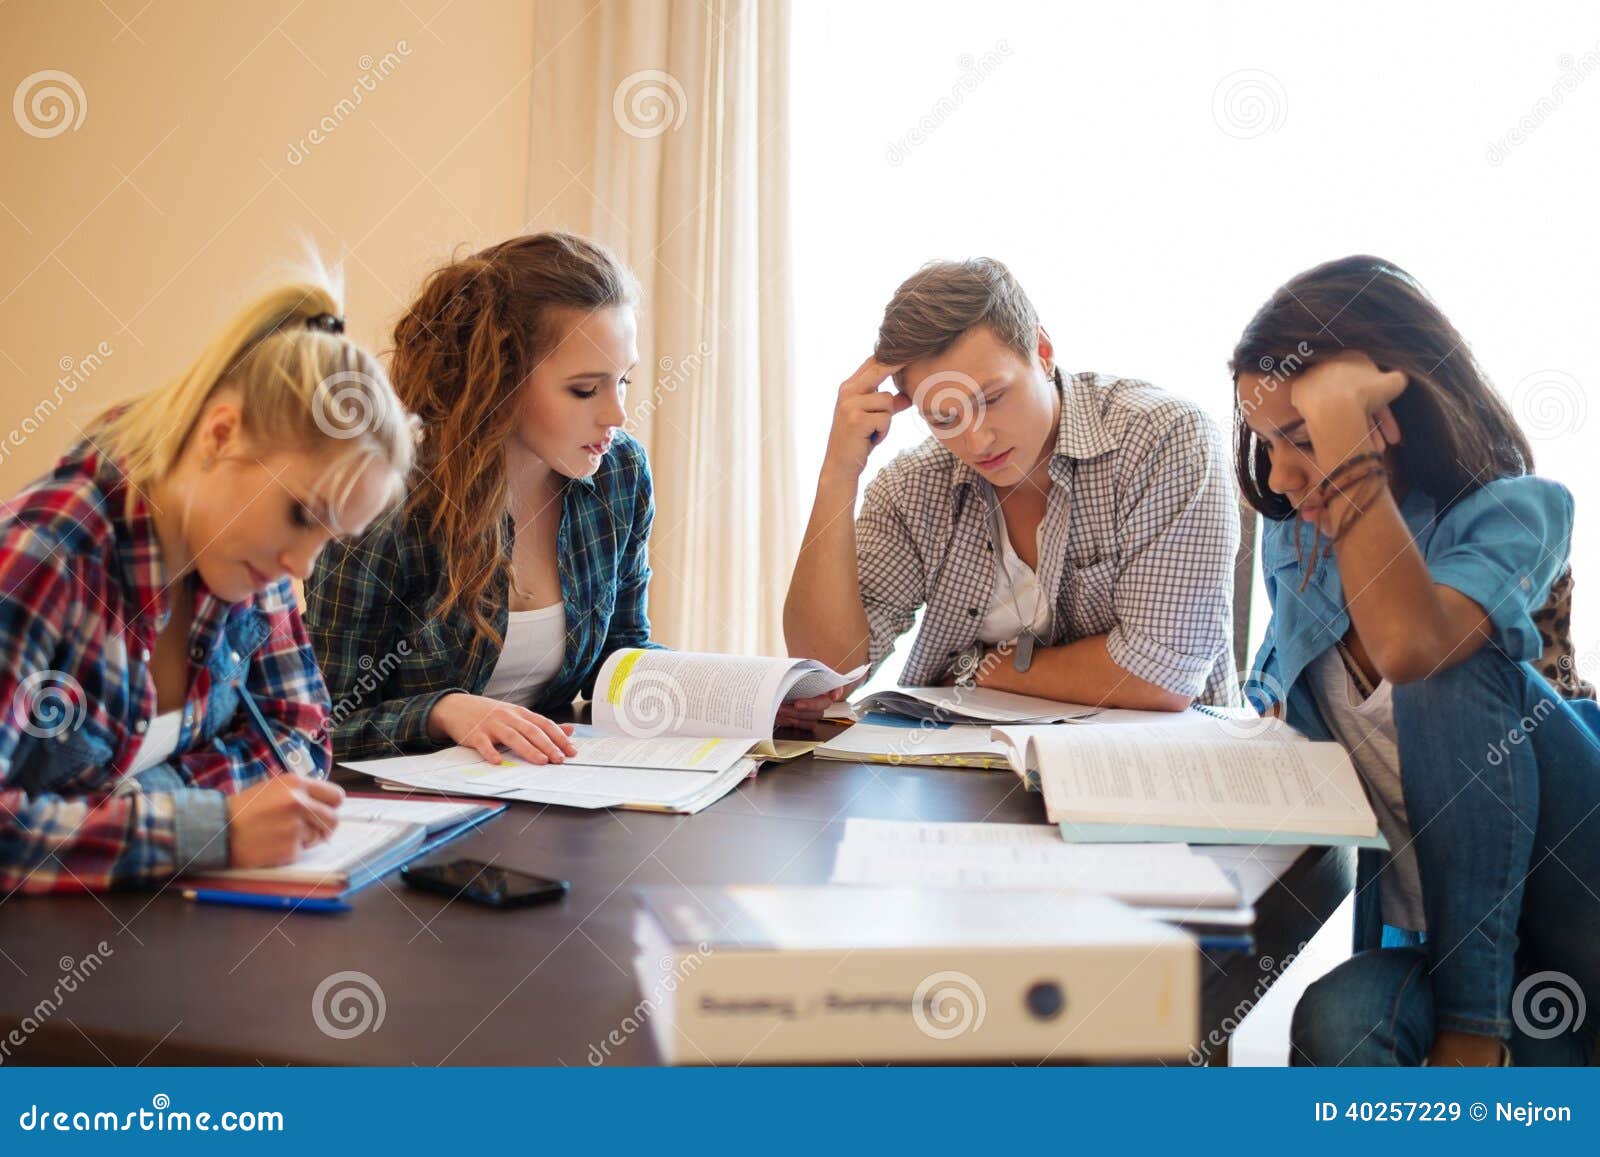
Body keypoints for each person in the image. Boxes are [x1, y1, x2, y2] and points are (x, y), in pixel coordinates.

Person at [1233, 254, 1600, 1065]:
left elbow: (1410, 645)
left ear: (1391, 413)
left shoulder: (1519, 510)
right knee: (1340, 1021)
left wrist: (1347, 447)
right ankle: (1484, 1055)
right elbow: (1281, 679)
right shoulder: (1295, 539)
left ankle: (1473, 1039)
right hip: (1490, 956)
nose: (1283, 477)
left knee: (1439, 668)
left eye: (1303, 438)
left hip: (1582, 893)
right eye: (1266, 443)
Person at [307, 231, 830, 767]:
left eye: (624, 381)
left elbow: (619, 655)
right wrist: (445, 711)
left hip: (544, 787)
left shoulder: (619, 473)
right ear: (499, 381)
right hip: (407, 808)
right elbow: (314, 726)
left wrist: (751, 704)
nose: (616, 414)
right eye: (585, 389)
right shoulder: (383, 499)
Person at [0, 277, 415, 892]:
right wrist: (205, 829)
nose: (302, 565)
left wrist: (143, 806)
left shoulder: (245, 550)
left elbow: (299, 740)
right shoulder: (42, 557)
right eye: (301, 514)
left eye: (327, 537)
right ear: (220, 435)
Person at [785, 256, 1239, 709]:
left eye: (993, 398)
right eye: (944, 417)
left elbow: (1160, 679)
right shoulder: (913, 485)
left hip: (1147, 770)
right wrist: (838, 474)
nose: (977, 440)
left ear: (1042, 352)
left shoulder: (1163, 438)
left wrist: (976, 671)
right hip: (960, 769)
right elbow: (826, 676)